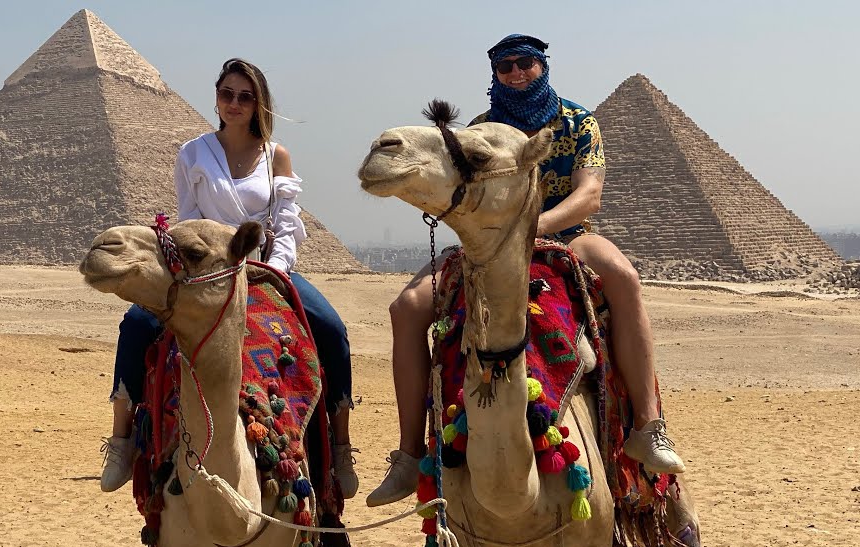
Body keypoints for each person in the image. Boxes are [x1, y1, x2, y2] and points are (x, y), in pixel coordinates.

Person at [367, 34, 685, 507]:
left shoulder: (578, 122)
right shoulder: (477, 133)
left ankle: (647, 426)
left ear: (542, 66)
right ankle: (410, 454)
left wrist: (532, 228)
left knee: (623, 278)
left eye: (525, 64)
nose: (516, 73)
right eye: (505, 66)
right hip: (488, 244)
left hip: (568, 234)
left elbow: (589, 196)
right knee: (407, 307)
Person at [100, 58, 358, 497]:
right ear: (216, 97)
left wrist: (275, 270)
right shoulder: (193, 153)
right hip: (208, 272)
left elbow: (287, 219)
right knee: (137, 325)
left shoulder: (276, 154)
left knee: (331, 330)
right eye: (227, 94)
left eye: (245, 96)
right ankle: (121, 439)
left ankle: (340, 444)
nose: (234, 104)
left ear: (259, 103)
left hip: (266, 267)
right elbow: (188, 222)